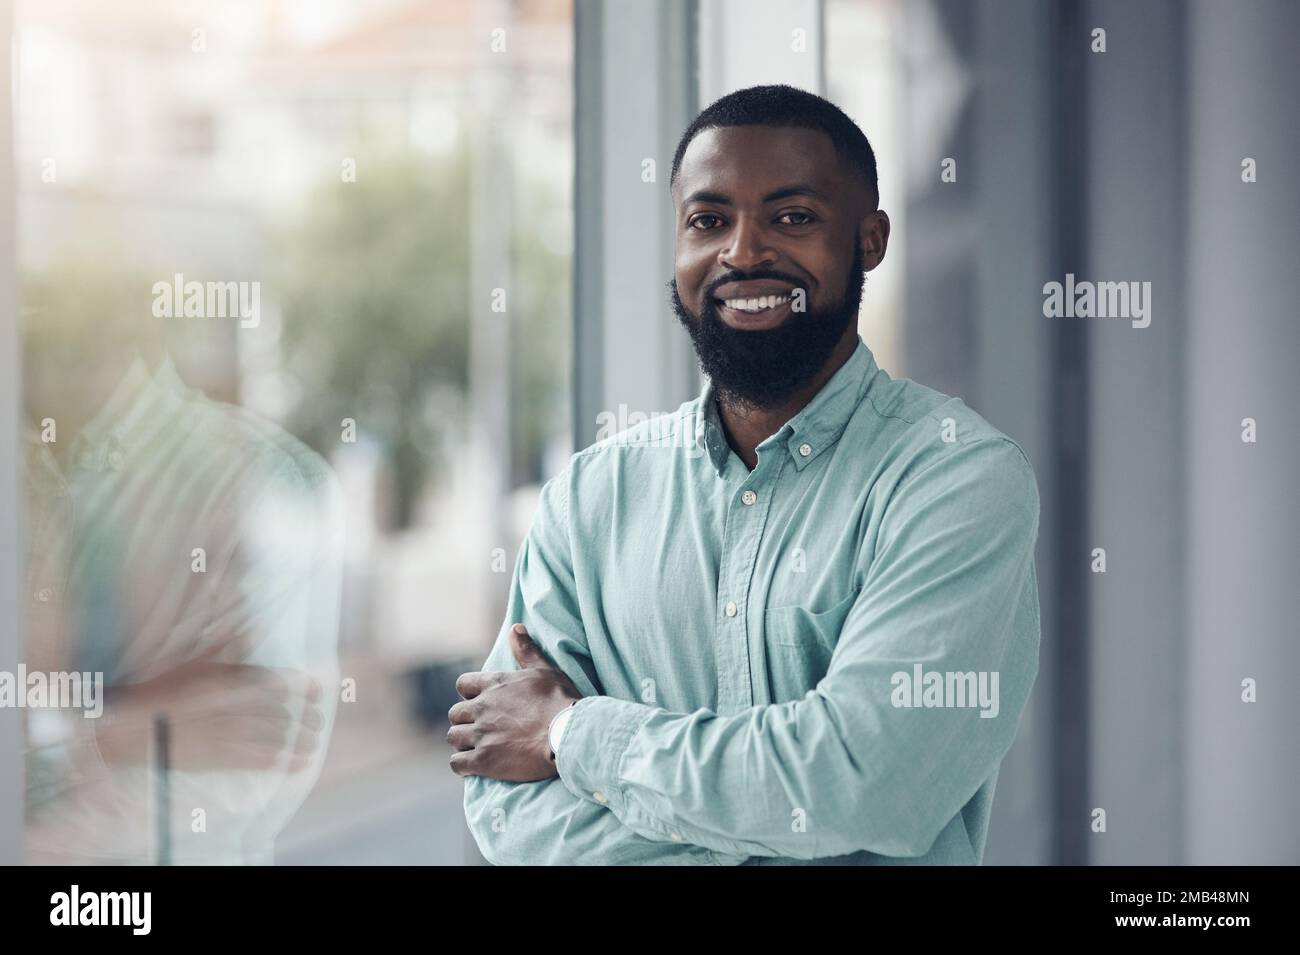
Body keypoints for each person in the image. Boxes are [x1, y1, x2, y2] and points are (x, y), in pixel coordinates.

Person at [453, 84, 1041, 865]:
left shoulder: (956, 482)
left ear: (868, 239)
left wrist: (569, 732)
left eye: (792, 217)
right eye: (709, 220)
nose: (742, 252)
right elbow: (507, 803)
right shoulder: (592, 498)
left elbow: (856, 782)